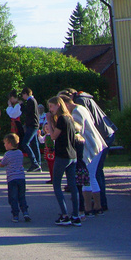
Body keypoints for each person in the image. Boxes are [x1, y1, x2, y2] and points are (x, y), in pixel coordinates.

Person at [65, 95, 107, 216]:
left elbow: (77, 130)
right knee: (91, 176)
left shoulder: (76, 112)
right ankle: (97, 206)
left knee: (88, 178)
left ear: (66, 104)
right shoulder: (81, 108)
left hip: (90, 146)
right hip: (95, 144)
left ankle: (89, 207)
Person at [46, 95, 80, 226]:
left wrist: (49, 121)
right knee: (73, 185)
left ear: (58, 105)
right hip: (72, 155)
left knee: (56, 184)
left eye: (51, 106)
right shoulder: (69, 118)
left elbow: (54, 136)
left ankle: (65, 214)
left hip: (63, 155)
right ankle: (76, 215)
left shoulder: (61, 119)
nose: (50, 109)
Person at [0, 132, 30, 222]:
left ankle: (15, 214)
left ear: (9, 144)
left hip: (12, 178)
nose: (4, 145)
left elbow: (2, 164)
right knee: (22, 196)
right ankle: (25, 212)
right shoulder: (19, 153)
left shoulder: (7, 154)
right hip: (21, 177)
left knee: (13, 197)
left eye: (5, 143)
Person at [20, 87, 41, 171]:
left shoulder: (30, 101)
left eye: (23, 95)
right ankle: (38, 163)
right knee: (35, 144)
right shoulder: (33, 101)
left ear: (26, 93)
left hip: (31, 125)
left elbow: (27, 112)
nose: (22, 97)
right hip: (34, 124)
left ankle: (34, 163)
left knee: (25, 143)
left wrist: (21, 105)